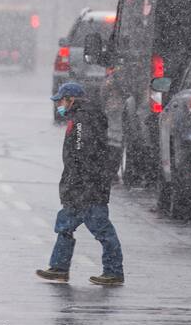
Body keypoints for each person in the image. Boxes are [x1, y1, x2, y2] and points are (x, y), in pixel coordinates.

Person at [36, 81, 125, 286]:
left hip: (86, 187)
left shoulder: (81, 121)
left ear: (71, 99)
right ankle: (59, 268)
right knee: (65, 225)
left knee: (101, 228)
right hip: (84, 186)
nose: (59, 105)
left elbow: (82, 153)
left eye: (61, 100)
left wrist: (78, 184)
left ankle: (113, 272)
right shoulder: (83, 117)